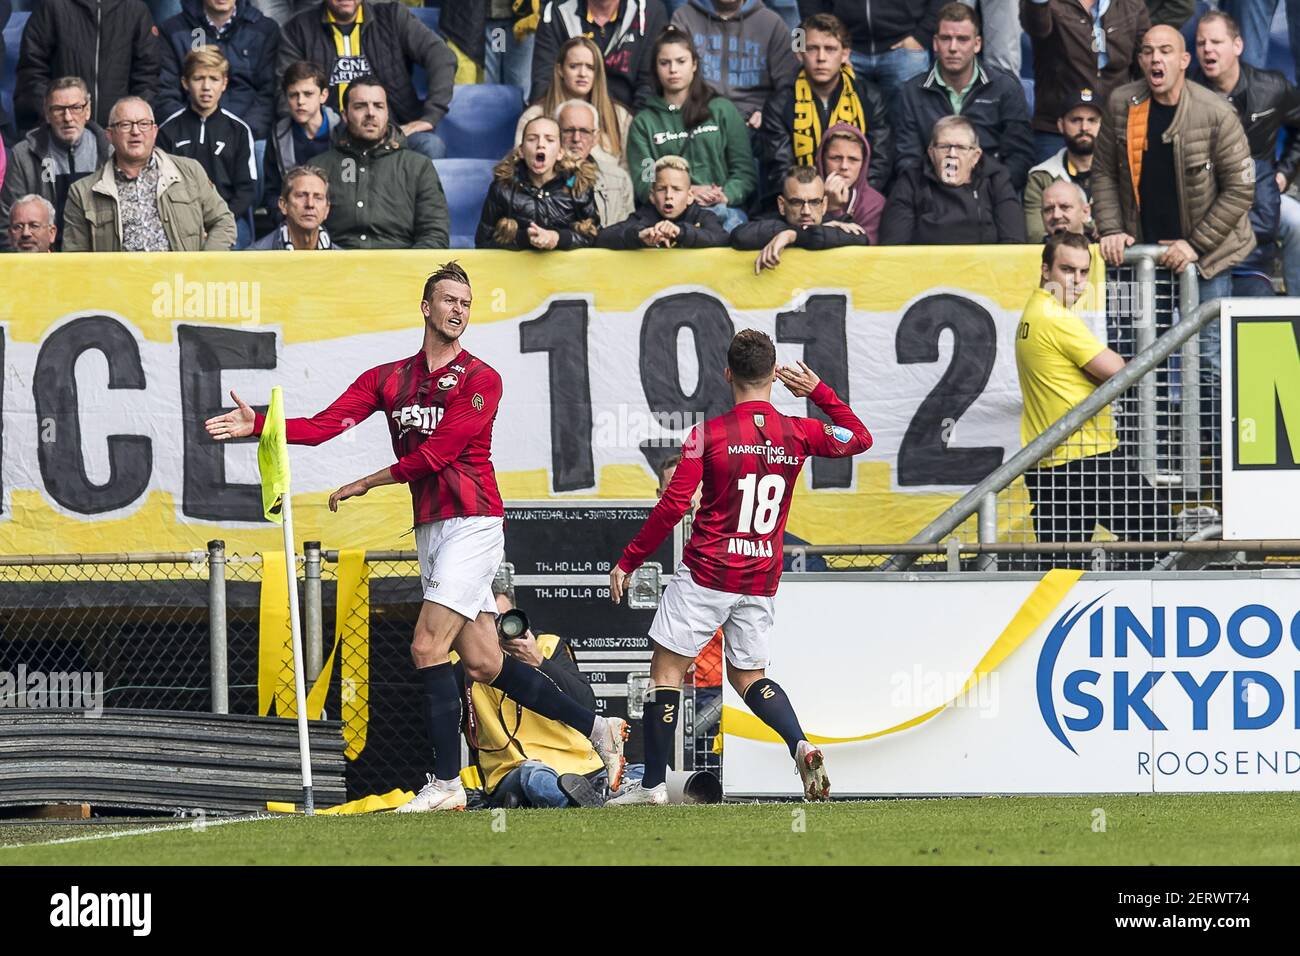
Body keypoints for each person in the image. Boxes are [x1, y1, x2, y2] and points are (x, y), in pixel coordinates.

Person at [204, 262, 631, 813]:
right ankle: (598, 728)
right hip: (433, 529)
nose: (458, 310)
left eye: (466, 303)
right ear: (426, 307)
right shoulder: (389, 378)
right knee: (482, 663)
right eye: (449, 300)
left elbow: (440, 454)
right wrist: (262, 425)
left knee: (426, 646)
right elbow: (324, 425)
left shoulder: (481, 379)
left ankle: (448, 784)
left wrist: (366, 481)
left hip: (474, 522)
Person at [607, 329, 873, 804]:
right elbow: (860, 437)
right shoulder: (799, 431)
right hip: (760, 576)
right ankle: (800, 744)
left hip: (708, 572)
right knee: (749, 676)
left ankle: (651, 789)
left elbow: (672, 507)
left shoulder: (706, 436)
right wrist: (819, 392)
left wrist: (628, 560)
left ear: (727, 374)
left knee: (667, 674)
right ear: (775, 375)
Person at [1093, 24, 1255, 378]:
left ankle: (1210, 436)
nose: (1156, 58)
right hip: (1143, 257)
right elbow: (1104, 172)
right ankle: (1153, 436)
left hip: (1206, 256)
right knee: (1143, 360)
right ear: (1140, 60)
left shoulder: (1215, 113)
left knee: (1210, 359)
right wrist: (1111, 229)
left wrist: (1194, 245)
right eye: (1148, 51)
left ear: (1184, 60)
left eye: (1165, 51)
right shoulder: (1122, 103)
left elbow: (1240, 190)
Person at [1016, 233, 1173, 568]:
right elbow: (1119, 371)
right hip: (1087, 458)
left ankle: (1099, 601)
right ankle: (1121, 594)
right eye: (1067, 269)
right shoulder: (1056, 318)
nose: (1076, 281)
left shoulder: (1033, 312)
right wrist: (1111, 369)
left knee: (1062, 572)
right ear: (1045, 269)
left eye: (1084, 272)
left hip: (1050, 464)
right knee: (1161, 533)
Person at [465, 579, 608, 809]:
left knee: (642, 771)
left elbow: (586, 704)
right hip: (517, 768)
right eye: (492, 620)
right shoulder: (467, 665)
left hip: (578, 765)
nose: (501, 628)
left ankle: (592, 793)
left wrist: (539, 661)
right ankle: (580, 800)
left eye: (505, 618)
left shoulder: (546, 645)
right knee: (535, 776)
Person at [1192, 10, 1300, 295]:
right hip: (1205, 197)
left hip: (1260, 192)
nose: (1207, 50)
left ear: (1237, 46)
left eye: (1216, 42)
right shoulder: (1187, 92)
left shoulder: (1271, 87)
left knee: (1298, 223)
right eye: (1201, 43)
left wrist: (1285, 172)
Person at [278, 0, 457, 163]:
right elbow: (285, 90)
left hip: (391, 132)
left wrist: (431, 115)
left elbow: (442, 56)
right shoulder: (298, 29)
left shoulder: (392, 17)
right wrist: (315, 130)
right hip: (329, 136)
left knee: (430, 145)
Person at [62, 97, 237, 252]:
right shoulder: (82, 193)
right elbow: (75, 258)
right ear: (109, 135)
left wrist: (204, 266)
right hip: (120, 286)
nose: (136, 131)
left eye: (143, 124)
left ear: (154, 131)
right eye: (125, 124)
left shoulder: (190, 171)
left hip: (179, 284)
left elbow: (223, 222)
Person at [626, 26, 756, 230]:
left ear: (694, 64)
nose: (673, 69)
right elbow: (645, 183)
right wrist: (684, 193)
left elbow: (745, 173)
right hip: (667, 216)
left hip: (721, 211)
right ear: (655, 68)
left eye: (681, 61)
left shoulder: (722, 110)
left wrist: (725, 195)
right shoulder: (644, 122)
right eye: (664, 63)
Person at [895, 2, 1034, 190]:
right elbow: (907, 159)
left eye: (962, 39)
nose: (953, 48)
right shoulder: (912, 92)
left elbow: (1020, 157)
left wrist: (987, 191)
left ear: (977, 44)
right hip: (930, 197)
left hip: (990, 196)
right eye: (946, 38)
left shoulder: (1005, 88)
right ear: (935, 43)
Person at [760, 12, 891, 206]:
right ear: (799, 53)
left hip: (857, 201)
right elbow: (779, 168)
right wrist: (815, 202)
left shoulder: (870, 97)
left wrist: (851, 199)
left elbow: (880, 161)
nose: (821, 58)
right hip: (798, 205)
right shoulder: (779, 103)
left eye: (830, 49)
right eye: (812, 48)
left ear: (845, 53)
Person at [312, 77, 450, 249]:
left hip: (401, 270)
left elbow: (435, 234)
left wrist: (409, 270)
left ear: (387, 114)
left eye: (378, 106)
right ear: (345, 115)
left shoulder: (419, 167)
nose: (370, 113)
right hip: (336, 269)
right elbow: (304, 231)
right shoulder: (319, 168)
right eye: (360, 106)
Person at [1021, 0, 1151, 162]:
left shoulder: (1131, 5)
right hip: (1056, 128)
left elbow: (1144, 64)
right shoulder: (1049, 4)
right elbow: (1036, 27)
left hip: (1113, 127)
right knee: (1053, 187)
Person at [157, 47, 259, 249]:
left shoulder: (238, 130)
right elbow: (160, 189)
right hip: (179, 220)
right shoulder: (168, 130)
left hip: (228, 217)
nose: (206, 86)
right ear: (185, 83)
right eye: (198, 78)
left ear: (224, 83)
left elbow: (246, 190)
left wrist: (220, 222)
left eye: (214, 79)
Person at [14, 0, 162, 132]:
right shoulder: (52, 6)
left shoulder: (136, 10)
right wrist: (53, 116)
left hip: (118, 138)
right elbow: (32, 71)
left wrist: (131, 124)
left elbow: (147, 76)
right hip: (60, 134)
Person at [879, 113, 1025, 245]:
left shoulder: (996, 180)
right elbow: (894, 244)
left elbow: (1013, 241)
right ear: (931, 152)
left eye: (961, 148)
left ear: (975, 156)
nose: (952, 154)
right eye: (944, 147)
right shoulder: (911, 180)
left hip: (984, 270)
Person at [0, 77, 109, 251]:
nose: (68, 118)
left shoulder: (108, 152)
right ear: (47, 113)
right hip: (41, 263)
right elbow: (7, 221)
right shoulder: (24, 154)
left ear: (87, 111)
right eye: (58, 109)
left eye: (75, 108)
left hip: (97, 262)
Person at [156, 0, 281, 143]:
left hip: (249, 134)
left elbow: (268, 93)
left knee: (261, 152)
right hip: (189, 133)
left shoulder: (265, 29)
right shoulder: (172, 30)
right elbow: (165, 93)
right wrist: (194, 132)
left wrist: (242, 134)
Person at [476, 116, 600, 250]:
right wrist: (524, 238)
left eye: (549, 139)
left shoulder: (579, 187)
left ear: (560, 153)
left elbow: (595, 237)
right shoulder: (502, 188)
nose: (540, 144)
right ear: (521, 151)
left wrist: (558, 238)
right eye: (532, 139)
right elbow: (483, 243)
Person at [670, 0, 799, 129]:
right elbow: (670, 73)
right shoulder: (684, 17)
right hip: (698, 118)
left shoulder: (771, 23)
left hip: (754, 123)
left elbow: (787, 84)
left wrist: (768, 112)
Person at [794, 0, 941, 108]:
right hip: (844, 48)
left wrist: (922, 36)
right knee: (838, 125)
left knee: (909, 123)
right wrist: (830, 44)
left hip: (906, 48)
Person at [530, 0, 669, 111]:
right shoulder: (557, 13)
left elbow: (649, 84)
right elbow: (544, 82)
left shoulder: (650, 12)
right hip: (570, 120)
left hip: (627, 119)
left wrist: (633, 131)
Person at [516, 36, 633, 166]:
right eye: (574, 66)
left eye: (590, 67)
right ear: (560, 70)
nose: (583, 73)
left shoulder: (620, 116)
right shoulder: (534, 116)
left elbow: (627, 172)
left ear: (598, 73)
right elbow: (521, 166)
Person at [732, 165, 869, 271]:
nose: (806, 211)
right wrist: (792, 233)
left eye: (814, 202)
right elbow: (740, 236)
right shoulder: (772, 220)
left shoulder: (839, 224)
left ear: (824, 204)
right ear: (781, 204)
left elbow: (862, 239)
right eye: (797, 203)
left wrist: (792, 236)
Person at [596, 154, 730, 246]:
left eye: (676, 189)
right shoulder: (642, 218)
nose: (668, 195)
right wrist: (638, 236)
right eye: (661, 189)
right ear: (652, 196)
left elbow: (723, 239)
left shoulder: (704, 217)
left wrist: (680, 232)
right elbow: (602, 238)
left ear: (690, 196)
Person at [1022, 88, 1102, 242]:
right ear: (1060, 125)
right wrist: (1095, 228)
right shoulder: (1040, 176)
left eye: (1092, 120)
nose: (1084, 128)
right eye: (1075, 120)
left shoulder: (1121, 171)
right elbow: (1037, 236)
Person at [266, 61, 341, 222]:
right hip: (292, 221)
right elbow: (272, 190)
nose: (300, 101)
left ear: (323, 96)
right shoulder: (278, 135)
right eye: (293, 95)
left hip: (337, 221)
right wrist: (283, 217)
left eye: (308, 94)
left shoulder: (341, 131)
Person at [558, 99, 636, 226]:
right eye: (569, 130)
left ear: (595, 138)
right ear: (556, 133)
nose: (576, 138)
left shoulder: (619, 179)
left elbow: (627, 231)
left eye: (584, 131)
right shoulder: (540, 177)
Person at [815, 123, 885, 244]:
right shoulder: (805, 193)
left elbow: (861, 251)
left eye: (853, 159)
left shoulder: (875, 204)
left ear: (863, 163)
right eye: (836, 158)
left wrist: (834, 210)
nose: (844, 166)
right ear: (822, 159)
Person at [251, 165, 334, 249]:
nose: (310, 204)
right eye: (301, 196)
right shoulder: (253, 258)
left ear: (327, 209)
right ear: (283, 205)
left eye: (318, 198)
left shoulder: (343, 259)